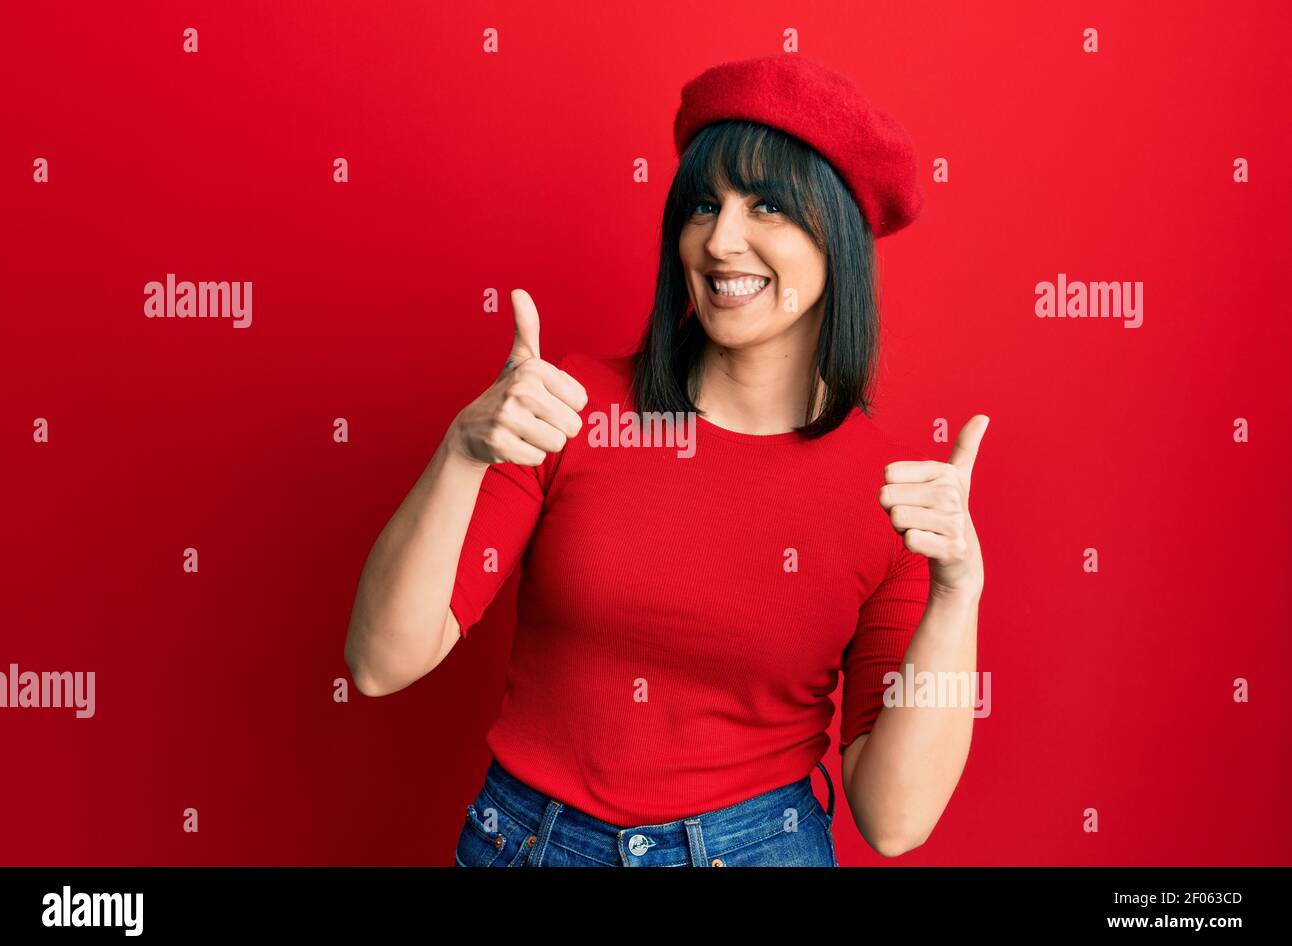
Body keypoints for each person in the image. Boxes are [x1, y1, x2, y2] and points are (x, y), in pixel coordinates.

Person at [344, 53, 988, 867]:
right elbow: (379, 662)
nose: (720, 241)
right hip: (529, 845)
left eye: (767, 207)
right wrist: (462, 450)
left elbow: (895, 822)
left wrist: (958, 595)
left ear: (840, 244)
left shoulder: (894, 499)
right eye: (701, 207)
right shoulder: (568, 408)